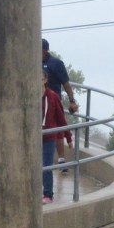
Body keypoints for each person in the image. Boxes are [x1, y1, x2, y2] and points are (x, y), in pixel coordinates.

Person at [42, 38, 79, 167]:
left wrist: (72, 101)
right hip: (38, 101)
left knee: (57, 128)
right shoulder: (32, 62)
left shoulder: (56, 63)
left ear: (44, 50)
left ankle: (61, 159)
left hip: (53, 101)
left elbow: (66, 83)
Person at [41, 71, 70, 204]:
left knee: (46, 165)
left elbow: (61, 118)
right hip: (33, 137)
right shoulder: (29, 95)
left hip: (48, 137)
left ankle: (48, 194)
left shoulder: (52, 97)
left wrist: (68, 137)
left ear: (45, 80)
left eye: (40, 78)